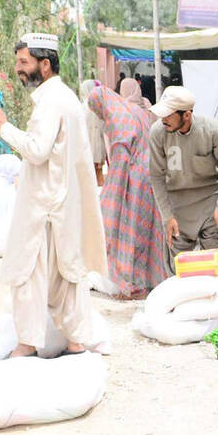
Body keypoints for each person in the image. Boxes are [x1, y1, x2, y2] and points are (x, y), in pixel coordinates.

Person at [0, 33, 108, 357]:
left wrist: (3, 126)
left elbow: (37, 151)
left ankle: (26, 344)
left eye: (24, 62)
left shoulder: (52, 101)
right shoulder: (63, 97)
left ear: (45, 64)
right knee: (67, 271)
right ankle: (76, 341)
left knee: (28, 273)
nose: (18, 69)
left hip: (45, 206)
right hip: (62, 201)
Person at [88, 79, 171, 297]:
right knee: (148, 229)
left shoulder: (120, 116)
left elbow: (121, 158)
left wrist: (112, 191)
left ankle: (128, 282)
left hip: (132, 180)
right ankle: (148, 279)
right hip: (151, 175)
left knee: (128, 230)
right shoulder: (143, 111)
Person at [148, 86, 218, 263]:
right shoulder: (157, 133)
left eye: (168, 115)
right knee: (178, 271)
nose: (162, 119)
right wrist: (167, 216)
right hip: (177, 207)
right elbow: (156, 176)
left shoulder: (212, 131)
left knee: (215, 267)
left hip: (210, 205)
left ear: (187, 115)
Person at [79, 79, 107, 186]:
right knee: (99, 176)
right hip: (99, 145)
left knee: (88, 179)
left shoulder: (82, 108)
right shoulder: (99, 105)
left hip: (87, 146)